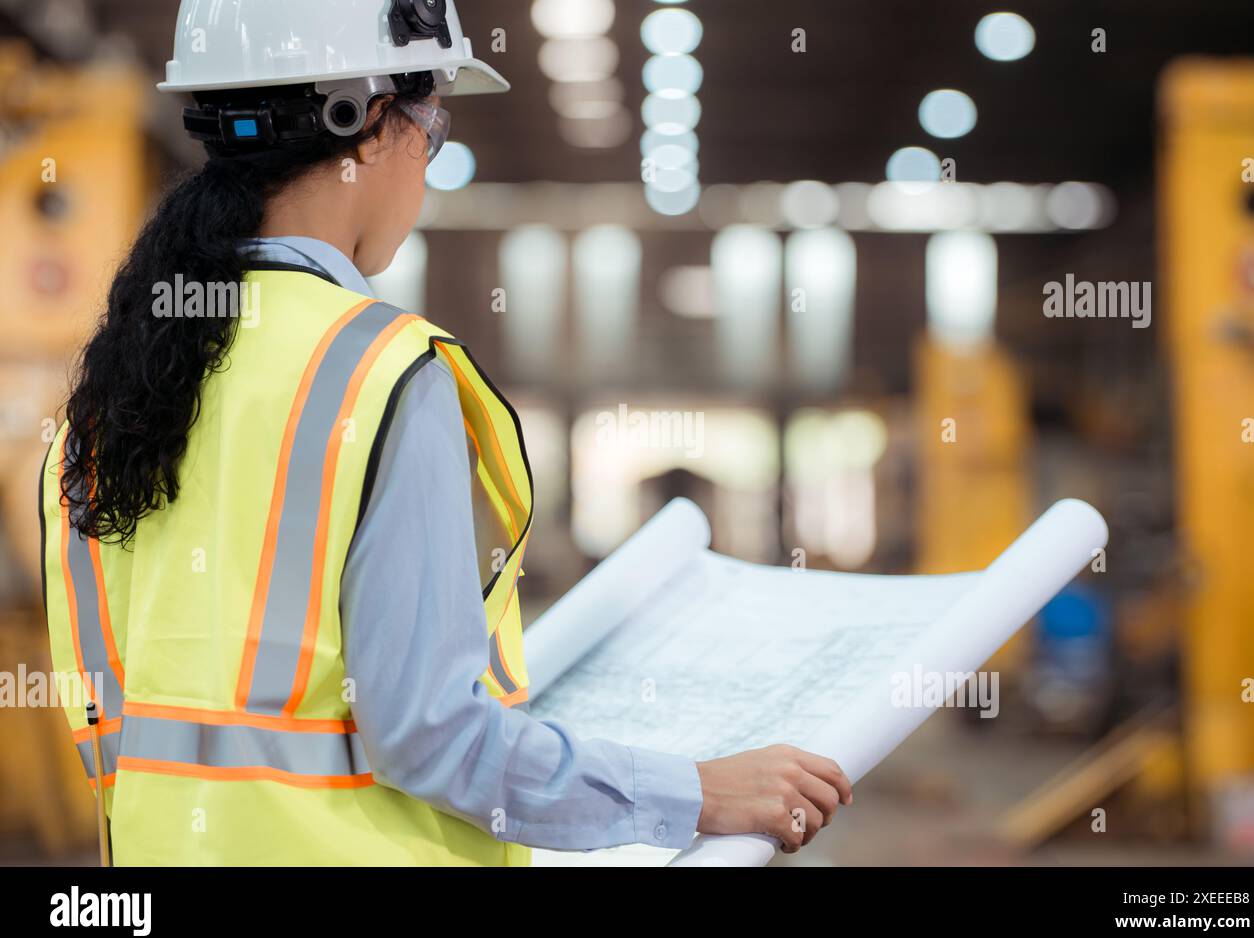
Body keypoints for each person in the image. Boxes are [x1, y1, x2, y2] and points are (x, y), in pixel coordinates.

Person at [39, 0, 851, 865]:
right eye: (434, 124)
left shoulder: (114, 388)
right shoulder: (378, 372)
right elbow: (430, 737)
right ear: (365, 126)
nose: (431, 158)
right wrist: (697, 791)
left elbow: (116, 715)